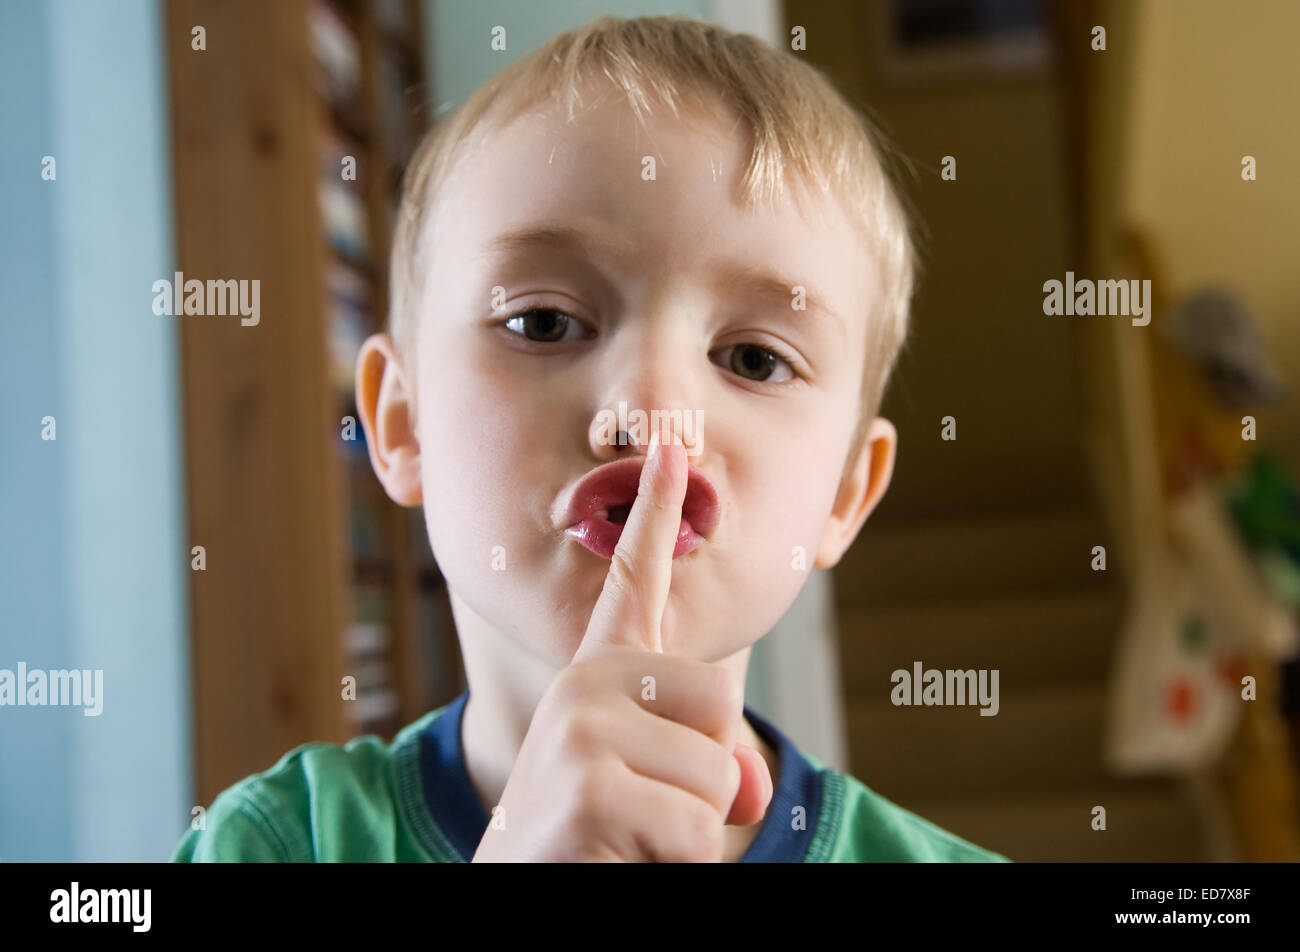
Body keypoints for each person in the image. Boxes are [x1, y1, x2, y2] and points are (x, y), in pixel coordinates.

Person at [173, 14, 1008, 863]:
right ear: (400, 422)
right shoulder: (272, 843)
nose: (651, 415)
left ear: (844, 495)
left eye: (756, 359)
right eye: (542, 321)